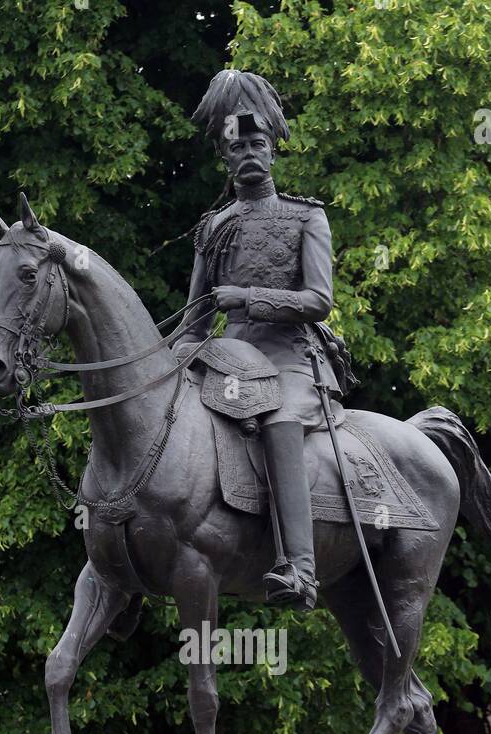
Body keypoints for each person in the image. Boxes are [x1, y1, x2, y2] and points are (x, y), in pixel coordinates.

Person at [181, 70, 345, 612]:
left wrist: (248, 297)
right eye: (237, 145)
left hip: (290, 357)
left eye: (257, 143)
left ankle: (299, 568)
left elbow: (319, 301)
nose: (248, 152)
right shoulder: (213, 225)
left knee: (278, 422)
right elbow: (197, 316)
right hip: (228, 359)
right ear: (225, 158)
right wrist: (173, 358)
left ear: (272, 150)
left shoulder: (307, 216)